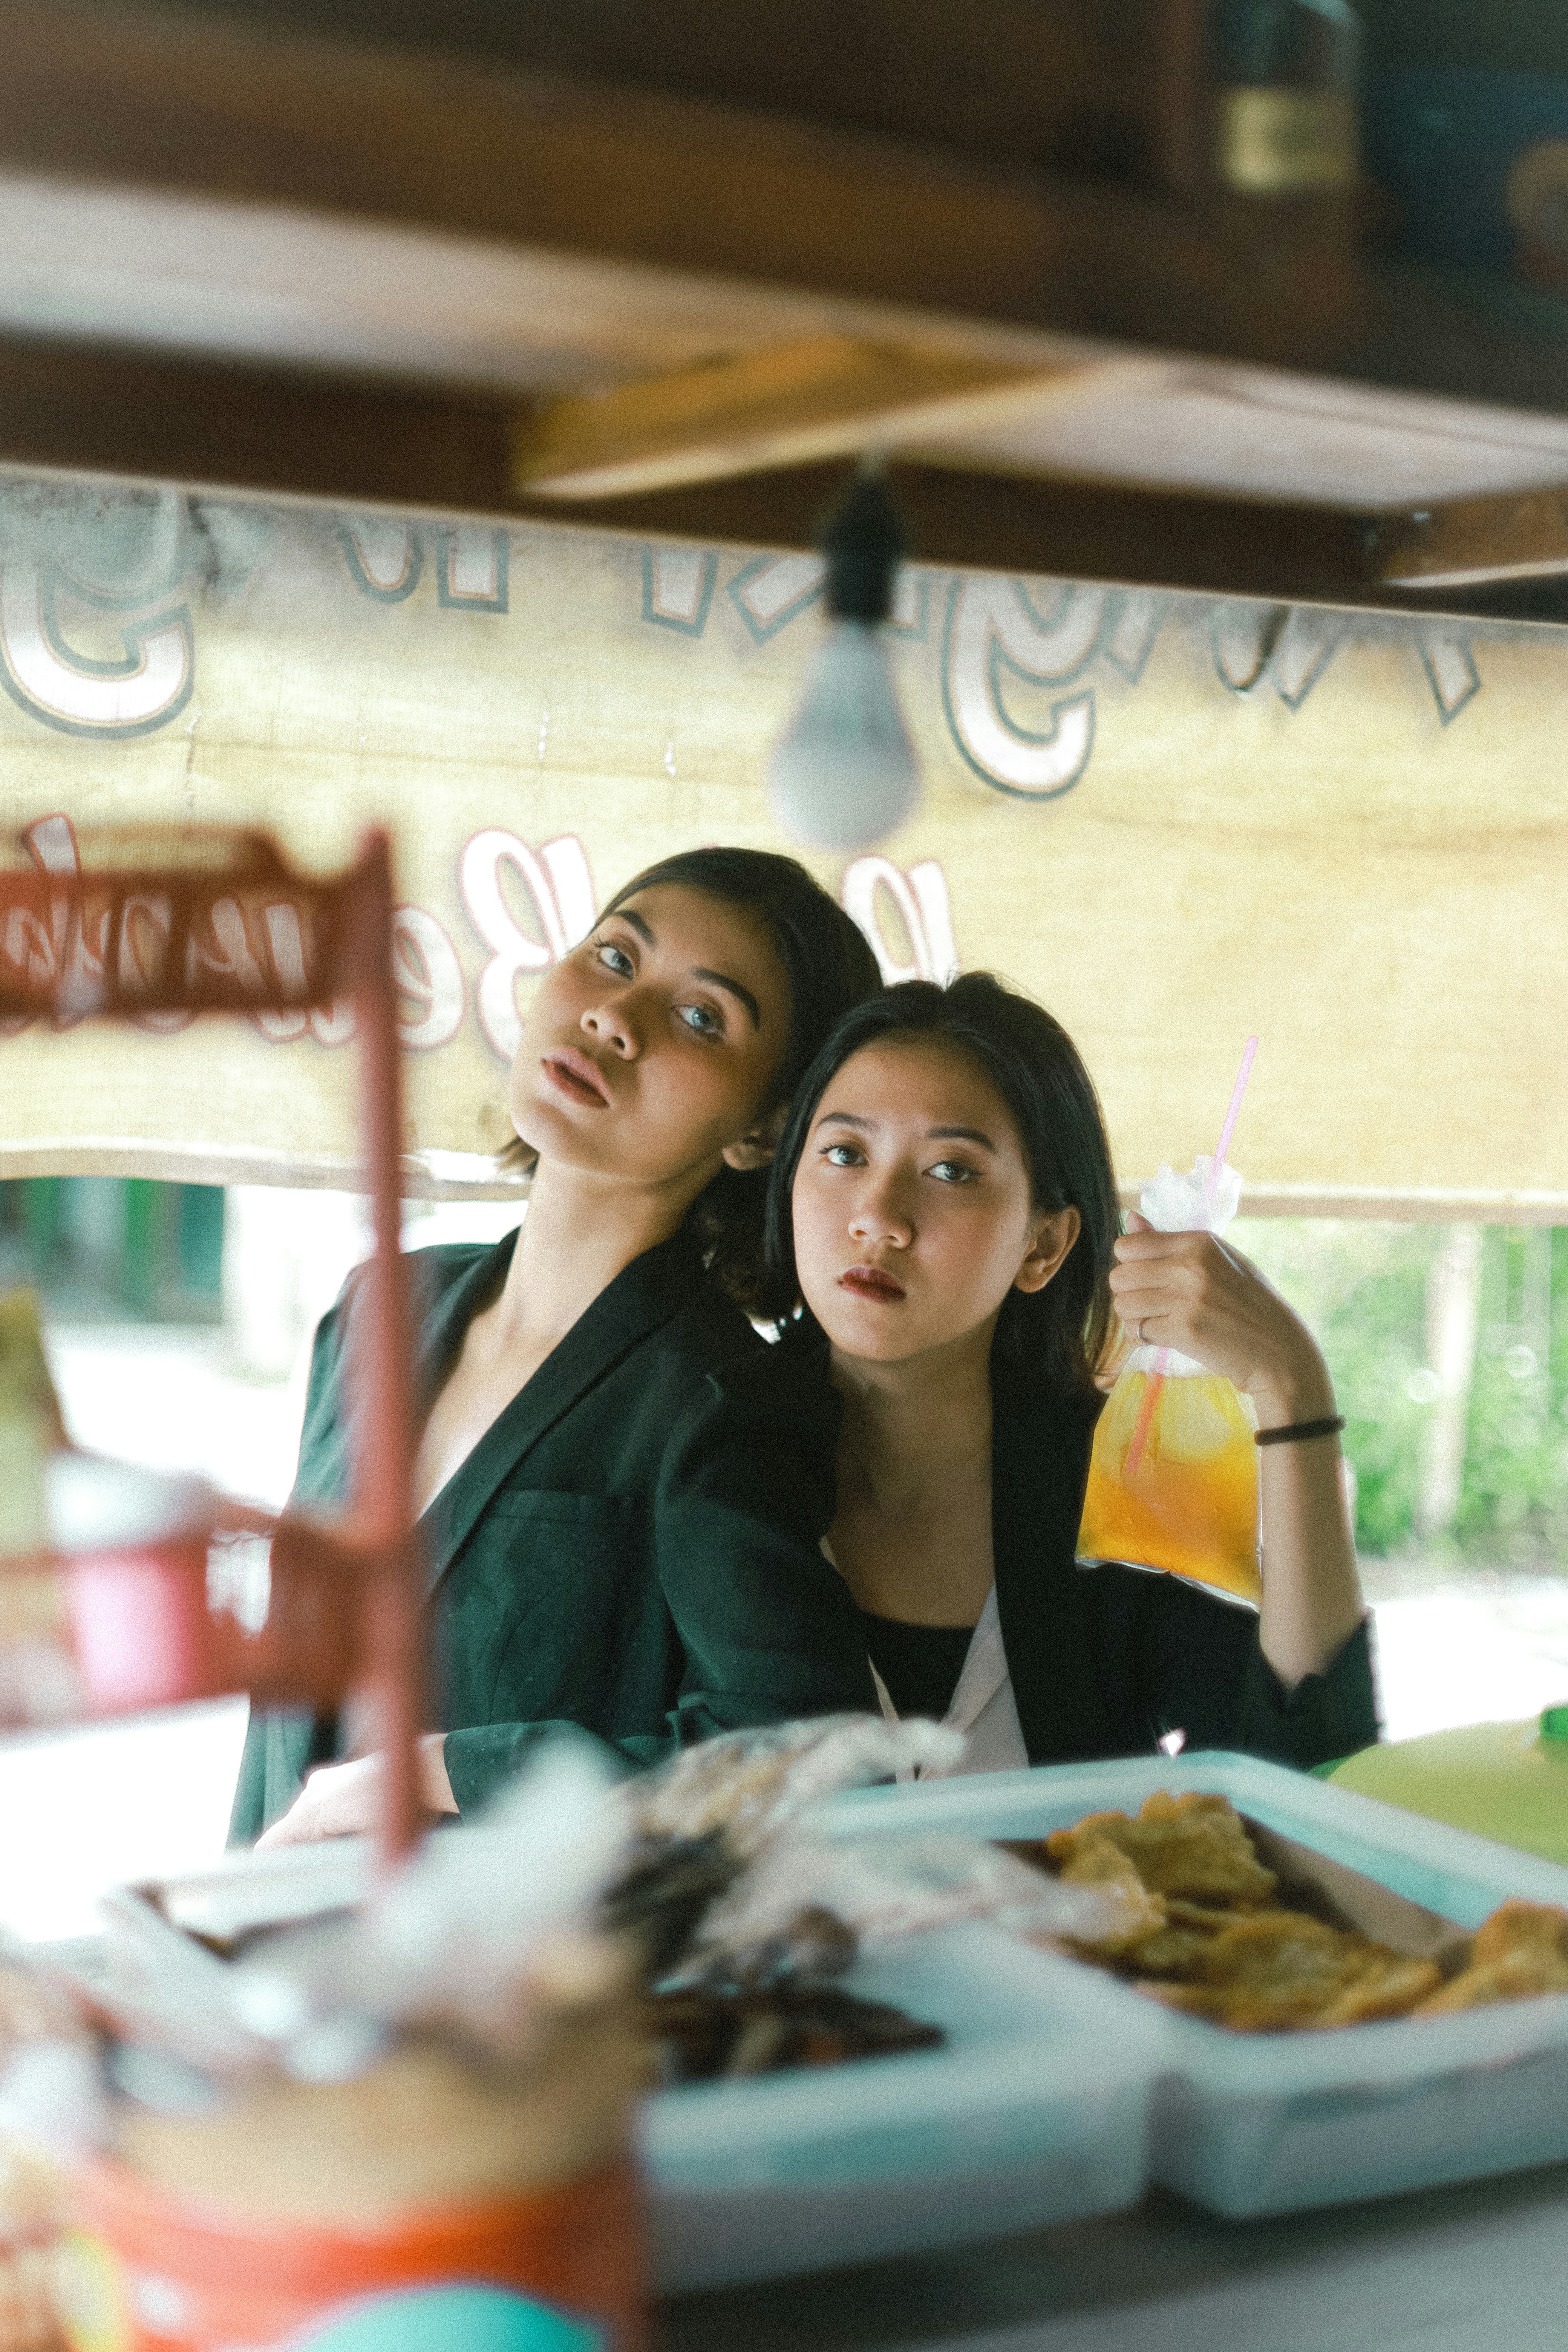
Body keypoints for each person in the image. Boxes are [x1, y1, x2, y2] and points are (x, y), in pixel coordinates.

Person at [231, 848, 881, 1845]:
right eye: (617, 958)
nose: (617, 1019)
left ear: (764, 1129)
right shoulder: (378, 1308)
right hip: (259, 1974)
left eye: (705, 1018)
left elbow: (809, 1758)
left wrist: (438, 1771)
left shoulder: (721, 1404)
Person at [762, 972, 1378, 1773]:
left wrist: (1292, 1386)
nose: (878, 1215)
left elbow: (1307, 1769)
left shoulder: (1124, 1473)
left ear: (1043, 1245)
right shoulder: (700, 1435)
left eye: (951, 1170)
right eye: (844, 1153)